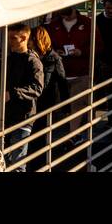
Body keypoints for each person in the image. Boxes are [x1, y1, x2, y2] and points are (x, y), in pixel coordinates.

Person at [0, 22, 45, 165]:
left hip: (22, 118)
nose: (9, 42)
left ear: (24, 38)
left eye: (13, 38)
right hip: (2, 117)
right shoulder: (5, 61)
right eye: (9, 38)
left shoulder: (33, 62)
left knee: (17, 162)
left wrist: (12, 93)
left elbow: (37, 88)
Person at [29, 26, 71, 167]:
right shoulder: (28, 57)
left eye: (30, 40)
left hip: (45, 104)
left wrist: (66, 108)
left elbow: (62, 83)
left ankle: (40, 166)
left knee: (41, 138)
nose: (28, 42)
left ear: (37, 40)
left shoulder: (54, 59)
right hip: (29, 104)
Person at [46, 5, 101, 95]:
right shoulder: (54, 24)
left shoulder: (87, 23)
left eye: (69, 14)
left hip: (82, 73)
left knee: (79, 106)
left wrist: (82, 52)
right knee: (60, 107)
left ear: (74, 9)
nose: (66, 17)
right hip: (60, 74)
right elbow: (48, 45)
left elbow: (98, 45)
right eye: (64, 15)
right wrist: (55, 52)